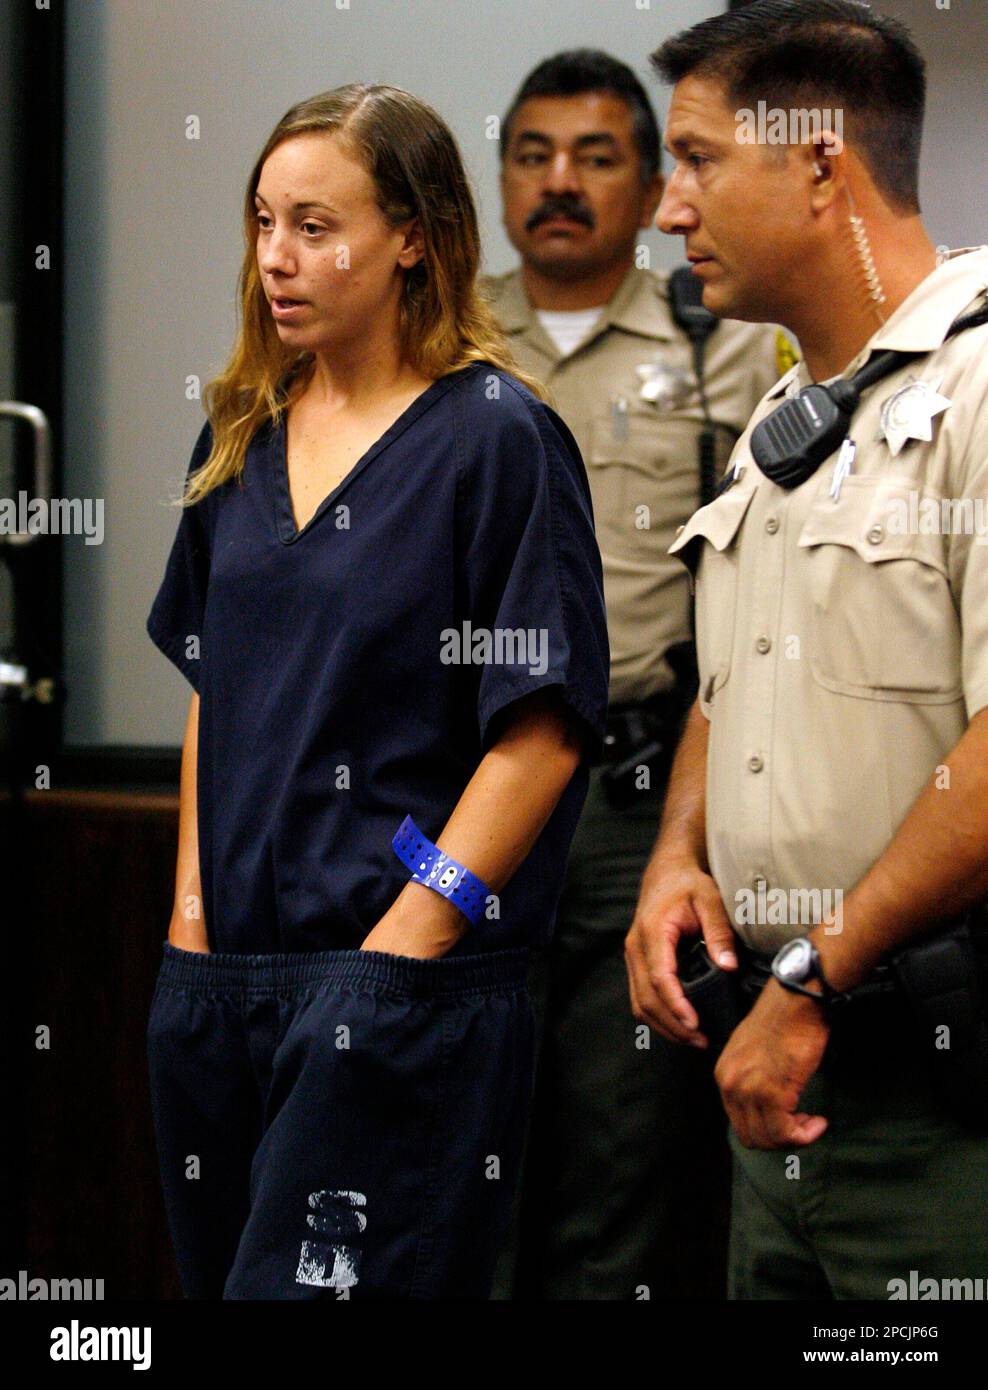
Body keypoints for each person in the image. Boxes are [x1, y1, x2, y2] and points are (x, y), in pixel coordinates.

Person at [144, 82, 609, 1301]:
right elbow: (214, 685)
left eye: (315, 225)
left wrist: (409, 938)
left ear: (413, 235)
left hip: (397, 981)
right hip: (225, 979)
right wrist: (192, 921)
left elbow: (544, 727)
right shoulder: (240, 435)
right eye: (262, 223)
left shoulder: (495, 437)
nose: (277, 259)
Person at [627, 0, 988, 1299]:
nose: (669, 208)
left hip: (937, 1093)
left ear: (820, 165)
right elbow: (734, 679)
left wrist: (811, 976)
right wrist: (678, 852)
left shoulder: (979, 392)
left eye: (698, 159)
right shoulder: (788, 415)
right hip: (776, 1076)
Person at [483, 50, 788, 1300]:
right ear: (499, 175)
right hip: (452, 802)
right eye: (532, 155)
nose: (560, 184)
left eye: (597, 157)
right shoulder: (436, 335)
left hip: (630, 801)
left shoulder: (727, 349)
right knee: (454, 1138)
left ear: (653, 181)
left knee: (619, 1169)